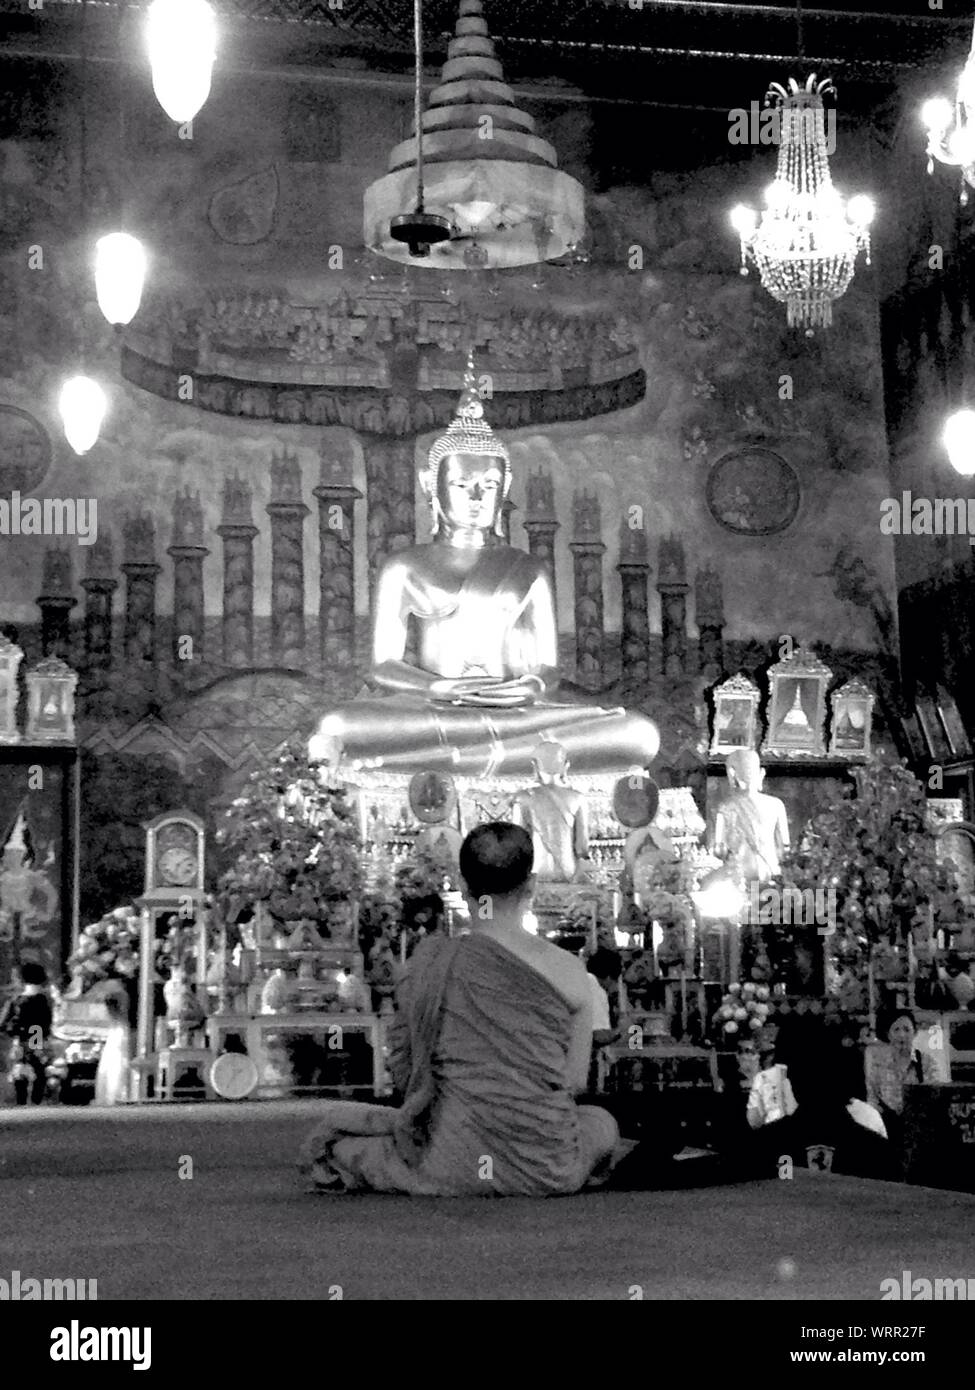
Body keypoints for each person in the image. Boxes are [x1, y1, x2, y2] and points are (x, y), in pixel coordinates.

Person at [299, 823, 620, 1195]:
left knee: (340, 1144)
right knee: (601, 1123)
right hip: (545, 1167)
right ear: (531, 886)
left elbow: (406, 1075)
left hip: (451, 1161)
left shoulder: (430, 964)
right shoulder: (569, 969)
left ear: (462, 886)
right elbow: (575, 1082)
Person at [865, 1009, 939, 1166]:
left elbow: (935, 1095)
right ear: (888, 1033)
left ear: (915, 1032)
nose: (902, 1035)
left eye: (907, 1029)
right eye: (896, 1030)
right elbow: (872, 1097)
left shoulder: (926, 1062)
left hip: (917, 1129)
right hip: (886, 1127)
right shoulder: (878, 1064)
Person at [0, 962, 53, 1106]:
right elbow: (47, 1021)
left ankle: (21, 1100)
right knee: (38, 1066)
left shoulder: (16, 1000)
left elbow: (3, 1024)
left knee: (20, 1066)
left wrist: (13, 1031)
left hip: (20, 1038)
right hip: (37, 1034)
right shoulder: (45, 999)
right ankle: (37, 1099)